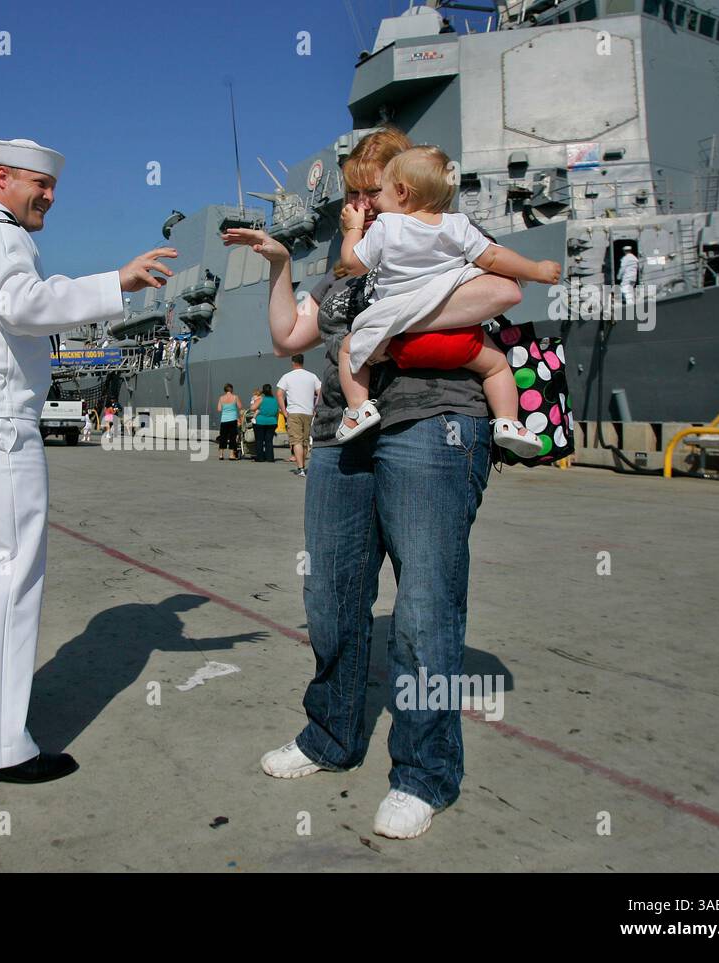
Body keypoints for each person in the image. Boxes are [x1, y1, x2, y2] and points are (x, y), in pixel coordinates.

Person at [223, 126, 523, 839]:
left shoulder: (444, 235)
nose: (359, 206)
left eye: (372, 192)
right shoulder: (348, 261)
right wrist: (278, 265)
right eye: (354, 194)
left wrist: (393, 318)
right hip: (338, 433)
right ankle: (330, 734)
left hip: (433, 423)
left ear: (406, 190)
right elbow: (289, 338)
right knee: (328, 594)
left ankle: (425, 771)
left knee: (424, 606)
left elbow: (501, 289)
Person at [0, 136, 174, 785]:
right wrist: (116, 280)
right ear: (1, 178)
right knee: (6, 574)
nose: (50, 198)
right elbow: (22, 306)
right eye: (41, 185)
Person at [334, 145, 556, 455]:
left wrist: (353, 228)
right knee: (496, 368)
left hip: (399, 341)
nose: (371, 202)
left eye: (377, 191)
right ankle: (509, 422)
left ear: (400, 191)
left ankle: (359, 410)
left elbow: (353, 264)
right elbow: (493, 257)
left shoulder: (387, 226)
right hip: (463, 341)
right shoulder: (459, 225)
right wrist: (536, 269)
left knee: (348, 350)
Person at [275, 355, 322, 476]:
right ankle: (303, 467)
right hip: (308, 412)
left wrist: (284, 411)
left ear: (292, 362)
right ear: (303, 362)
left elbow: (279, 394)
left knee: (296, 441)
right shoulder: (312, 376)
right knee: (305, 441)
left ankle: (300, 468)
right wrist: (315, 407)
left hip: (294, 412)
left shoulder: (287, 376)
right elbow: (320, 392)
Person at [250, 384, 279, 462]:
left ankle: (260, 457)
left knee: (259, 440)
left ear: (263, 391)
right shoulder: (275, 400)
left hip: (260, 422)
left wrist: (254, 402)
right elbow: (277, 412)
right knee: (269, 441)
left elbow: (252, 408)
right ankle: (270, 457)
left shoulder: (261, 399)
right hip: (272, 422)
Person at [216, 383, 243, 461]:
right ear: (231, 389)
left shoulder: (221, 398)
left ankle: (221, 454)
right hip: (233, 420)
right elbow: (240, 407)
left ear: (225, 390)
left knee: (223, 437)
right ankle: (231, 455)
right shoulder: (235, 397)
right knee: (232, 437)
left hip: (224, 420)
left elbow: (219, 409)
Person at [617, 243, 639, 312]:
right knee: (630, 290)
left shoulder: (625, 258)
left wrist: (618, 276)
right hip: (633, 278)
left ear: (624, 251)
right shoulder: (635, 258)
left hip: (627, 277)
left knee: (624, 289)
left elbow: (622, 268)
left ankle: (631, 307)